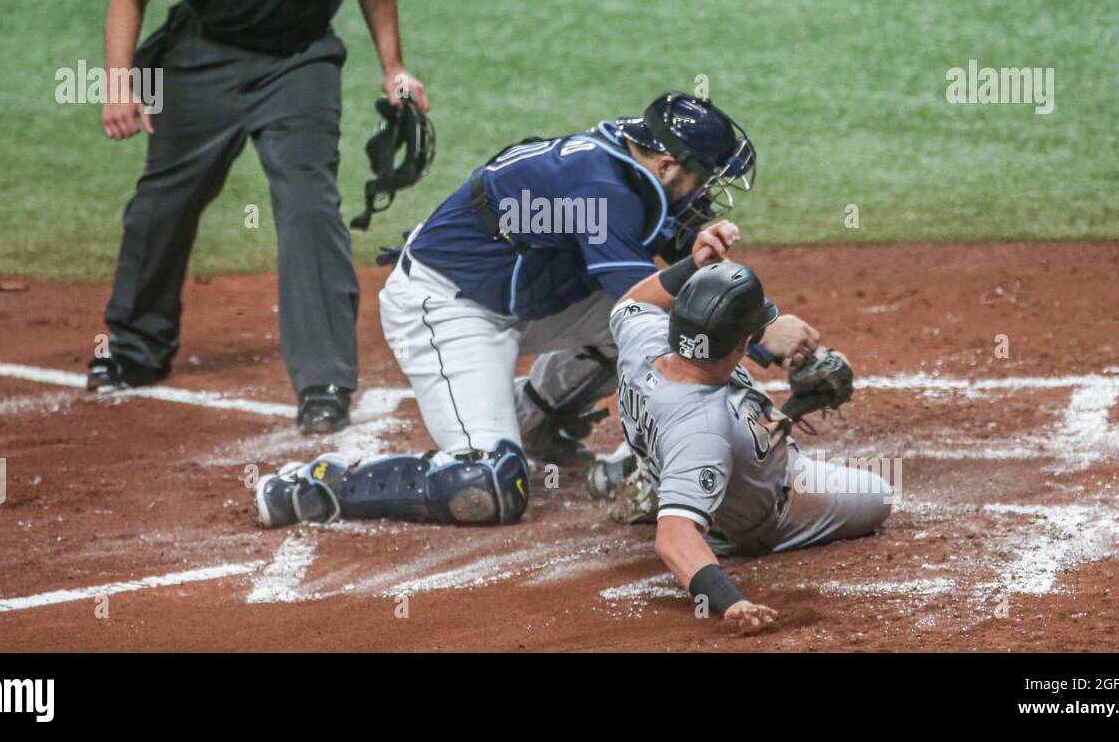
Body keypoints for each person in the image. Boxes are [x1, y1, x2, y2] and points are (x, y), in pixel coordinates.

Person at [252, 92, 758, 528]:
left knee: (656, 323)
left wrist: (753, 312)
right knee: (484, 482)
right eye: (704, 177)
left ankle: (537, 418)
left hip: (524, 302)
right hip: (448, 308)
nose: (707, 192)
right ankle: (325, 484)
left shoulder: (634, 168)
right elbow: (633, 304)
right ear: (668, 166)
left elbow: (675, 251)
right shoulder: (598, 187)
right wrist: (758, 336)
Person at [86, 0, 427, 435]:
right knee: (165, 201)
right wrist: (118, 84)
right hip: (202, 60)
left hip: (299, 64)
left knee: (308, 204)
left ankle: (325, 380)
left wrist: (394, 68)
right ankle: (134, 350)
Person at [602, 252, 894, 633]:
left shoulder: (647, 337)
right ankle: (695, 509)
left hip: (679, 444)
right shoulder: (704, 430)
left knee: (708, 447)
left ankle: (666, 487)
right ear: (742, 345)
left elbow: (632, 303)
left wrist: (693, 262)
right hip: (766, 515)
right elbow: (673, 537)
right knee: (880, 495)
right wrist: (731, 602)